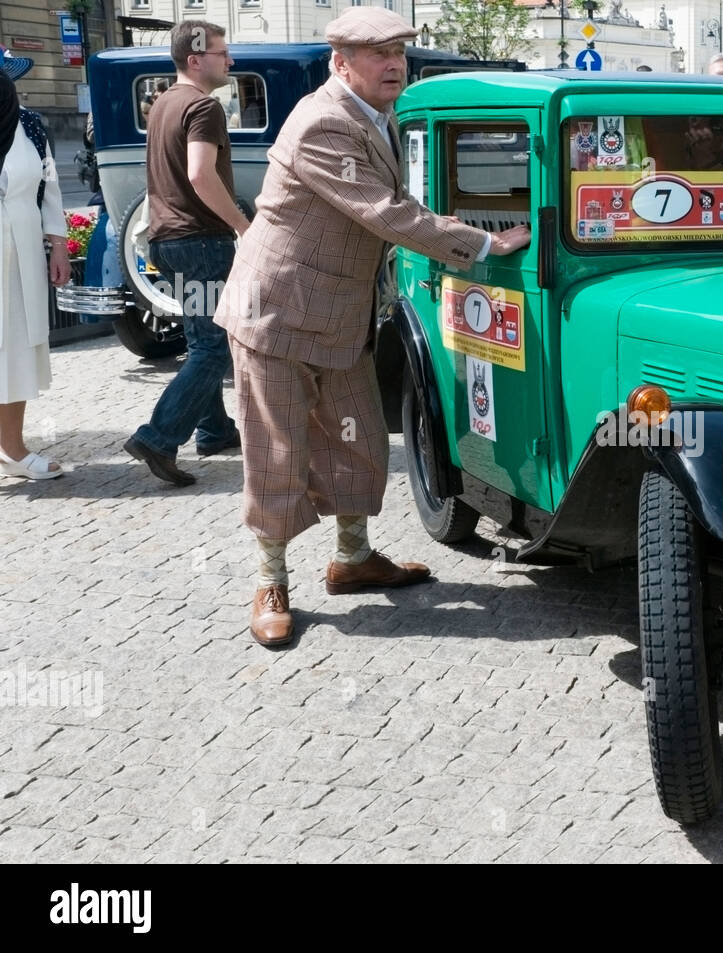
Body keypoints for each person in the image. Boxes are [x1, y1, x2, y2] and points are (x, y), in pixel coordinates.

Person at [213, 7, 530, 647]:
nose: (394, 63)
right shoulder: (325, 122)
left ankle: (353, 559)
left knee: (359, 438)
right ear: (341, 62)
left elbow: (402, 207)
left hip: (340, 315)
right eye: (376, 53)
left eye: (399, 51)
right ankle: (271, 581)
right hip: (278, 315)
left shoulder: (376, 117)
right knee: (278, 450)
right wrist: (487, 245)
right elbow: (387, 215)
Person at [123, 21, 251, 487]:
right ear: (196, 59)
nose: (230, 62)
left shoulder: (164, 104)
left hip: (170, 242)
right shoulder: (203, 106)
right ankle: (158, 438)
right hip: (200, 243)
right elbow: (200, 174)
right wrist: (243, 225)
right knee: (213, 347)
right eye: (222, 53)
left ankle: (215, 430)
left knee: (203, 338)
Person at [0, 57, 70, 480]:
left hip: (22, 248)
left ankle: (12, 447)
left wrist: (58, 244)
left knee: (18, 346)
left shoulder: (29, 125)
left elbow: (50, 187)